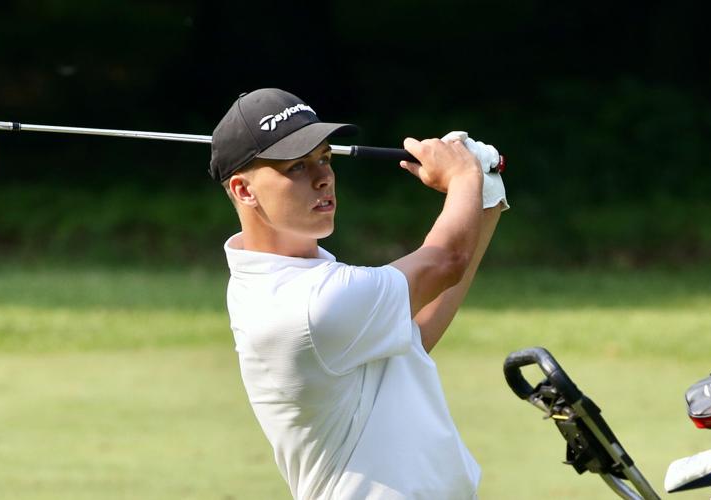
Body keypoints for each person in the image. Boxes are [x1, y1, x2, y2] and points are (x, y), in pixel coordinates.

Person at [209, 88, 507, 499]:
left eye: (325, 158)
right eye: (296, 167)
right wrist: (463, 177)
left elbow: (412, 336)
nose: (322, 177)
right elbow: (444, 262)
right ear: (244, 190)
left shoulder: (286, 281)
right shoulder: (311, 304)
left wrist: (483, 201)